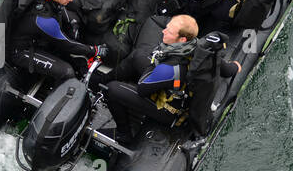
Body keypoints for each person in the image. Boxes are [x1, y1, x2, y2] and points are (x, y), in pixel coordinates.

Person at [101, 15, 241, 145]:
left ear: (182, 40)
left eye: (169, 31)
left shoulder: (168, 69)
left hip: (171, 110)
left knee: (111, 89)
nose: (164, 31)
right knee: (138, 56)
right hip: (176, 87)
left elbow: (142, 88)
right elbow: (226, 69)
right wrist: (235, 66)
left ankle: (123, 133)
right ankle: (100, 80)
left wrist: (156, 59)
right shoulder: (198, 48)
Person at [7, 0, 101, 83]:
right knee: (67, 71)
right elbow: (67, 44)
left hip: (38, 35)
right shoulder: (45, 21)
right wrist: (94, 50)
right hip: (22, 51)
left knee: (73, 25)